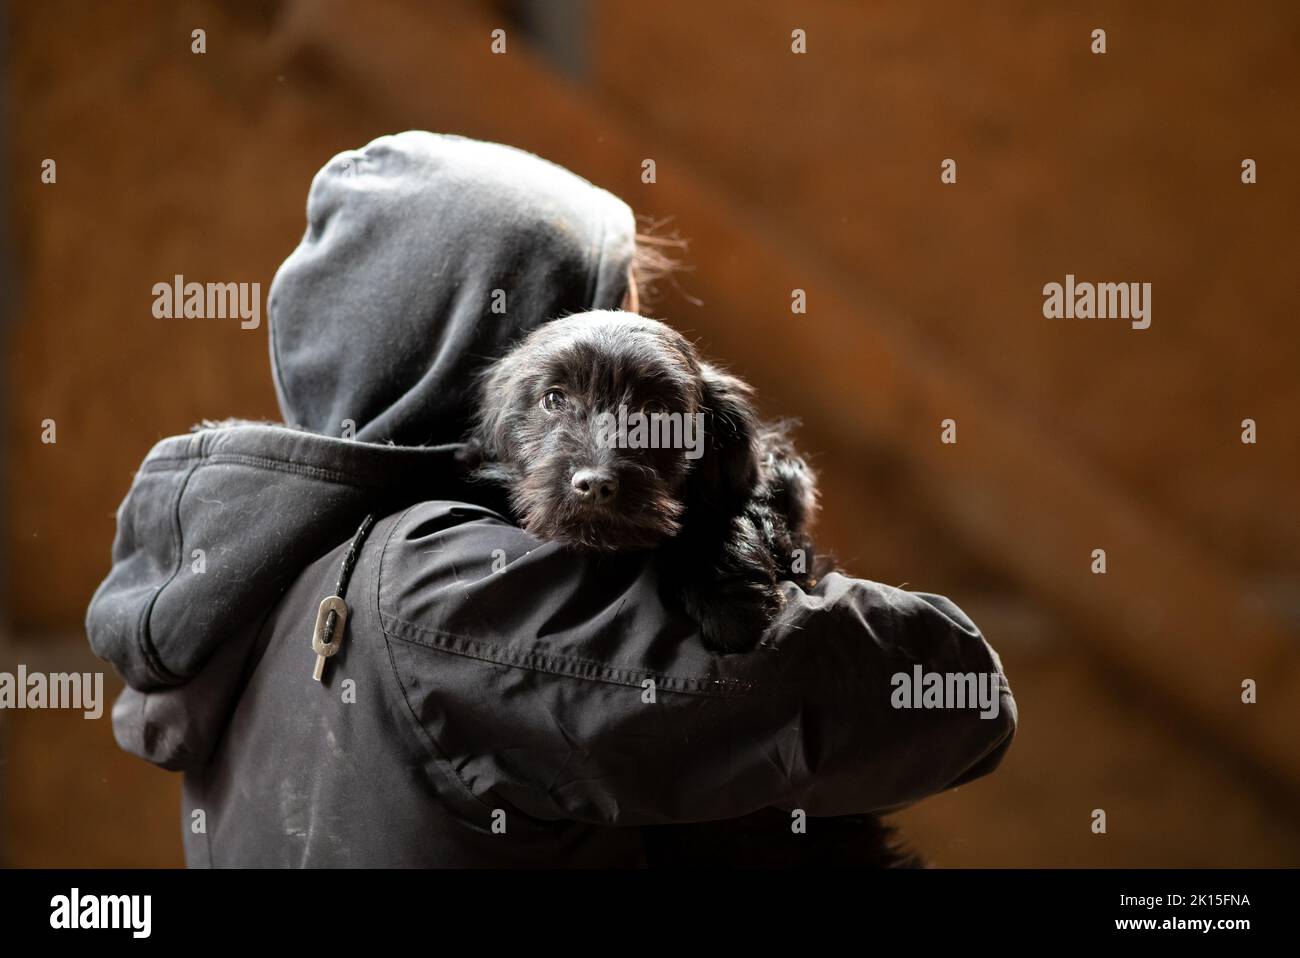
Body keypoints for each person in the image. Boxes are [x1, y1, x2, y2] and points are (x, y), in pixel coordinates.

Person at [86, 132, 1015, 867]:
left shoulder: (265, 586)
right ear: (497, 364)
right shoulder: (457, 589)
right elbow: (953, 693)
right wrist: (743, 530)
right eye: (615, 308)